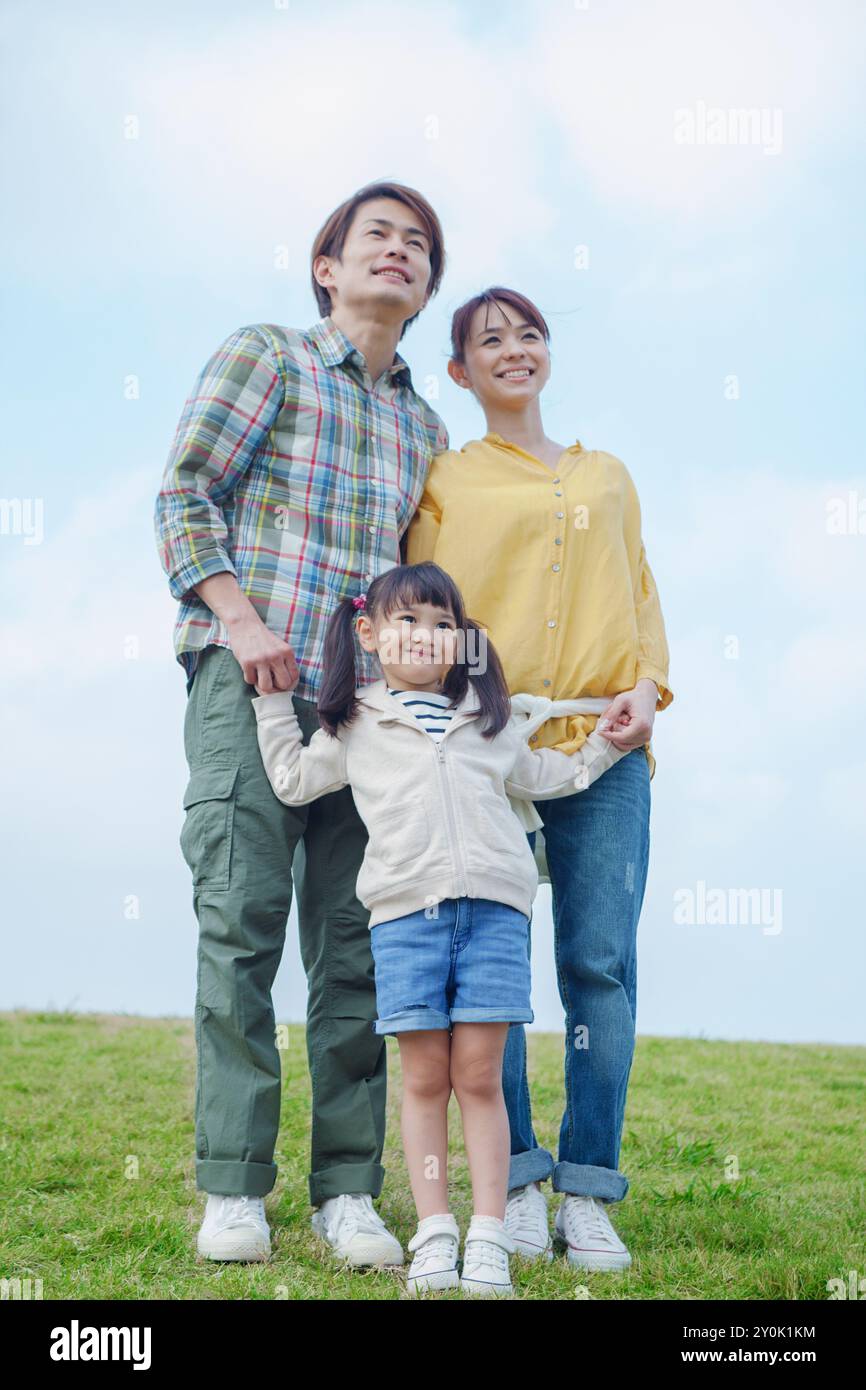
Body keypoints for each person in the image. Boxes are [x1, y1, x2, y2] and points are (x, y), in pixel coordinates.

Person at [153, 181, 450, 1266]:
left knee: (358, 942)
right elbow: (185, 493)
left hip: (365, 707)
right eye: (376, 234)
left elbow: (426, 585)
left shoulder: (426, 424)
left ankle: (346, 1192)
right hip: (250, 679)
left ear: (424, 290)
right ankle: (233, 1187)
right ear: (326, 265)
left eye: (418, 244)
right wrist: (240, 621)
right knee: (239, 920)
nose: (399, 250)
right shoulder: (268, 356)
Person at [251, 561, 629, 1295]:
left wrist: (606, 746)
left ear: (462, 641)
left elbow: (546, 777)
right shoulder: (355, 721)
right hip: (402, 921)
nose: (427, 636)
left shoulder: (487, 722)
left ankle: (487, 1237)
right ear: (368, 632)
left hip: (494, 917)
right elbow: (294, 780)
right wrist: (271, 706)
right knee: (424, 1079)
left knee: (479, 1078)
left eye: (443, 623)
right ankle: (435, 1233)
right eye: (409, 619)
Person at [405, 287, 673, 1272]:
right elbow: (422, 609)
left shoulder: (607, 474)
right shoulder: (444, 479)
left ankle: (588, 1191)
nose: (513, 349)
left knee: (598, 965)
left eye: (527, 334)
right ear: (458, 371)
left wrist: (647, 687)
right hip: (486, 746)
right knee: (492, 975)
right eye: (488, 340)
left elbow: (638, 590)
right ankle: (512, 1178)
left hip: (603, 746)